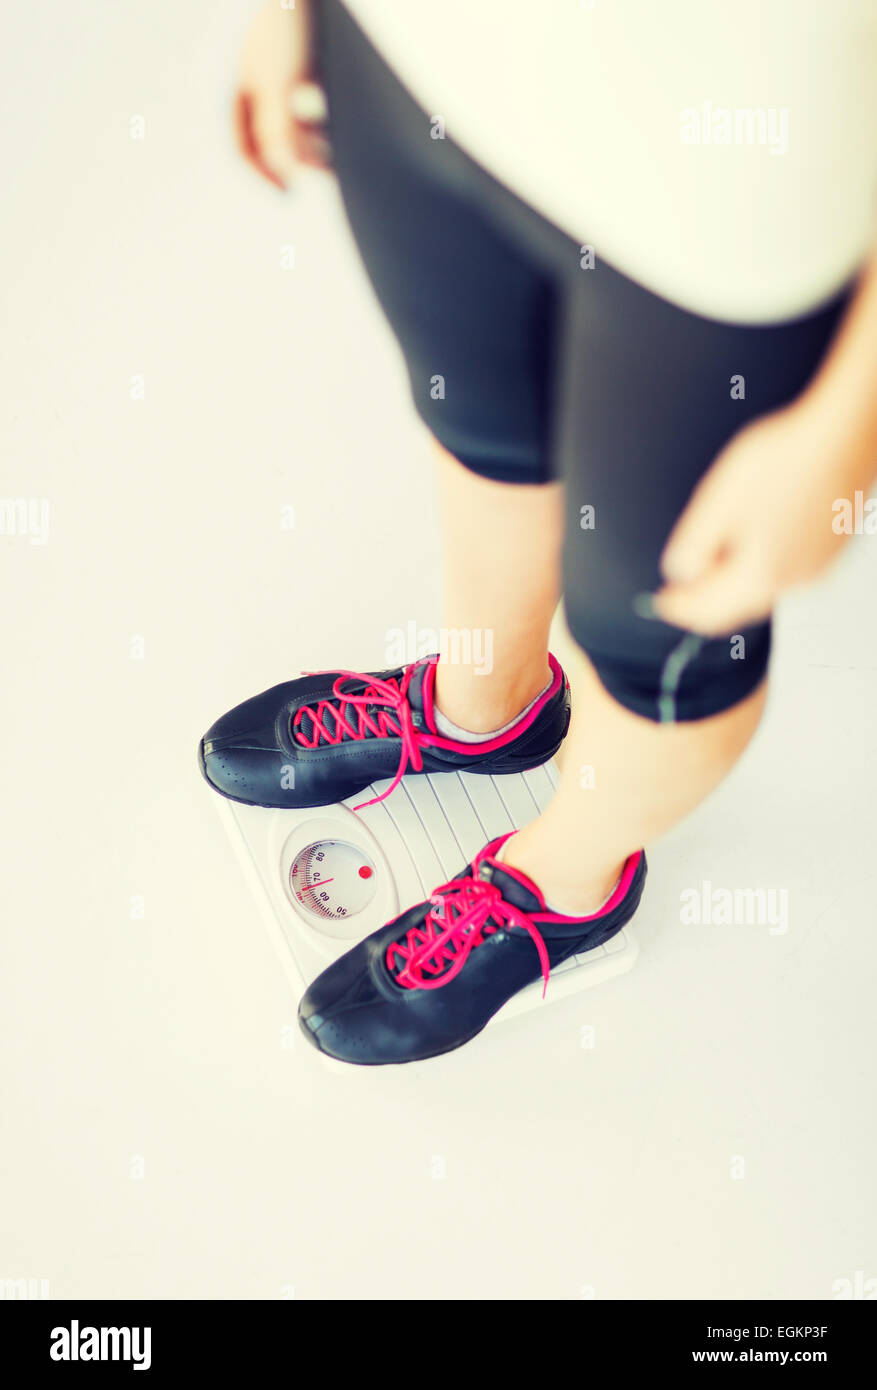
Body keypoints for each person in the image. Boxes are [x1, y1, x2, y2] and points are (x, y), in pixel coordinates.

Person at [200, 0, 877, 1065]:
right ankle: (483, 709)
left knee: (658, 622)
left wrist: (855, 410)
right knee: (482, 432)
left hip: (722, 212)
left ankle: (568, 883)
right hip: (415, 61)